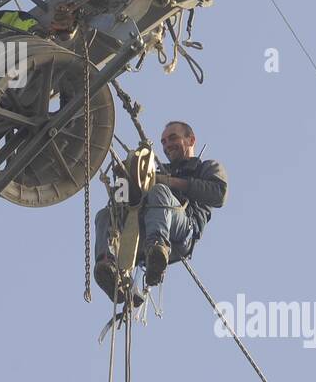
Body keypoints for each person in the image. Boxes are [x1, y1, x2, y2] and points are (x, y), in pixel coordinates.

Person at [93, 121, 227, 304]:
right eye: (163, 142)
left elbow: (219, 194)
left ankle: (157, 249)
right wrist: (124, 180)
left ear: (191, 140)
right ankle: (108, 266)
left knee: (159, 192)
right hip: (147, 227)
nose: (167, 145)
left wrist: (170, 181)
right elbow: (129, 201)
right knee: (105, 215)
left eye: (173, 138)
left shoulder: (206, 168)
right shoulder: (155, 171)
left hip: (183, 229)